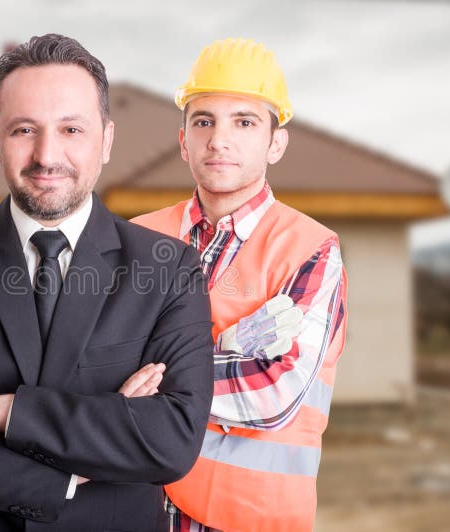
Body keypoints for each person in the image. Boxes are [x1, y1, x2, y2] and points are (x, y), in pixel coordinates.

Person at [0, 33, 214, 532]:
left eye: (72, 129)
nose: (46, 155)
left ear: (107, 140)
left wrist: (6, 411)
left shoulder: (169, 269)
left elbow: (170, 440)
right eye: (23, 130)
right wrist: (80, 455)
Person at [132, 37, 348, 532]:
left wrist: (147, 380)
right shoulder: (135, 238)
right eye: (203, 120)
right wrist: (226, 351)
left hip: (246, 519)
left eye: (244, 121)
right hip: (133, 509)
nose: (218, 139)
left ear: (276, 142)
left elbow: (272, 391)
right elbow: (86, 366)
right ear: (183, 139)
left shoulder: (310, 249)